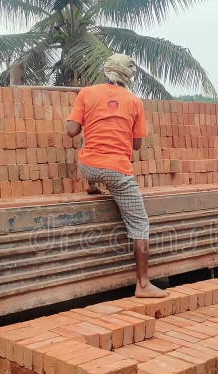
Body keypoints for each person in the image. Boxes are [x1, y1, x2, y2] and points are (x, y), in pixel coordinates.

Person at [65, 53, 167, 298]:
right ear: (127, 78)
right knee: (140, 224)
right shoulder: (134, 102)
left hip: (88, 166)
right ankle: (142, 285)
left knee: (86, 137)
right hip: (117, 173)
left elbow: (71, 131)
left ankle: (91, 184)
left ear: (106, 72)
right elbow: (137, 145)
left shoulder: (86, 93)